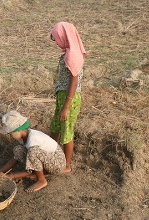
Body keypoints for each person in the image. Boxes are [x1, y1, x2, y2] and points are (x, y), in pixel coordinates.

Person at [0, 110, 66, 193]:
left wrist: (10, 176)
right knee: (18, 149)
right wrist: (0, 171)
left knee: (32, 152)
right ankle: (41, 172)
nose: (10, 135)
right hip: (47, 158)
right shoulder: (24, 137)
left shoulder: (33, 140)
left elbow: (30, 169)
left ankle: (41, 180)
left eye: (10, 133)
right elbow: (15, 158)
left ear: (18, 130)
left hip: (58, 163)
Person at [50, 22, 86, 173]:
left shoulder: (72, 56)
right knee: (56, 126)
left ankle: (67, 166)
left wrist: (65, 107)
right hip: (63, 96)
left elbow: (74, 82)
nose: (57, 43)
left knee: (67, 131)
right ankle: (51, 155)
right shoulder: (68, 52)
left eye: (57, 39)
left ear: (64, 37)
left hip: (69, 99)